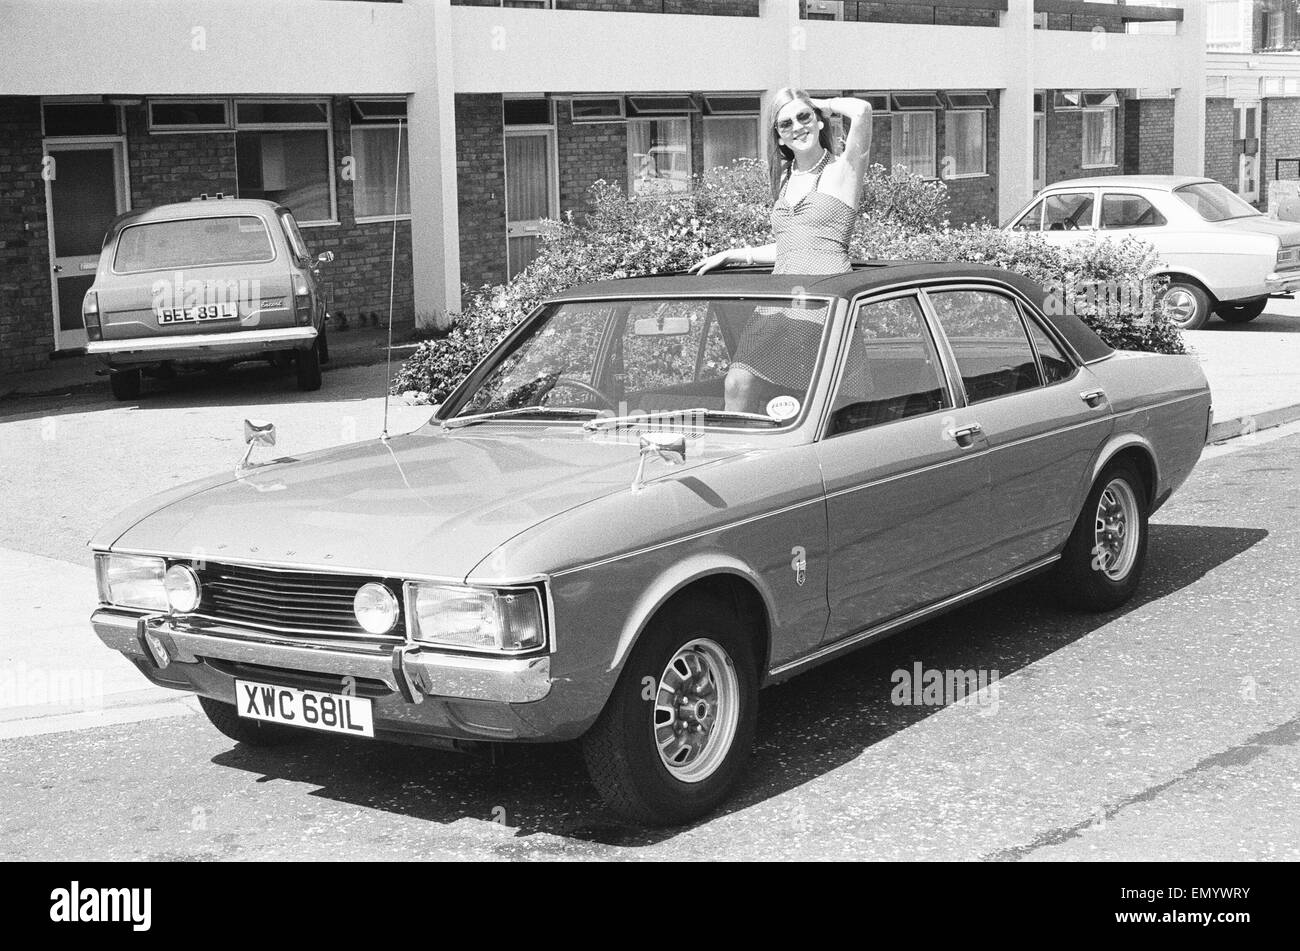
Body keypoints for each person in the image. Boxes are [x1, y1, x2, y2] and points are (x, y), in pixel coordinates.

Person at [689, 88, 873, 414]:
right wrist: (735, 254)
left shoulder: (843, 170)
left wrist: (817, 102)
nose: (797, 127)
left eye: (804, 117)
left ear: (819, 122)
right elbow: (793, 243)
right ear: (778, 137)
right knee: (737, 382)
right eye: (785, 123)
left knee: (815, 406)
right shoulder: (786, 178)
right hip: (779, 303)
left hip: (824, 301)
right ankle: (739, 458)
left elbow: (862, 111)